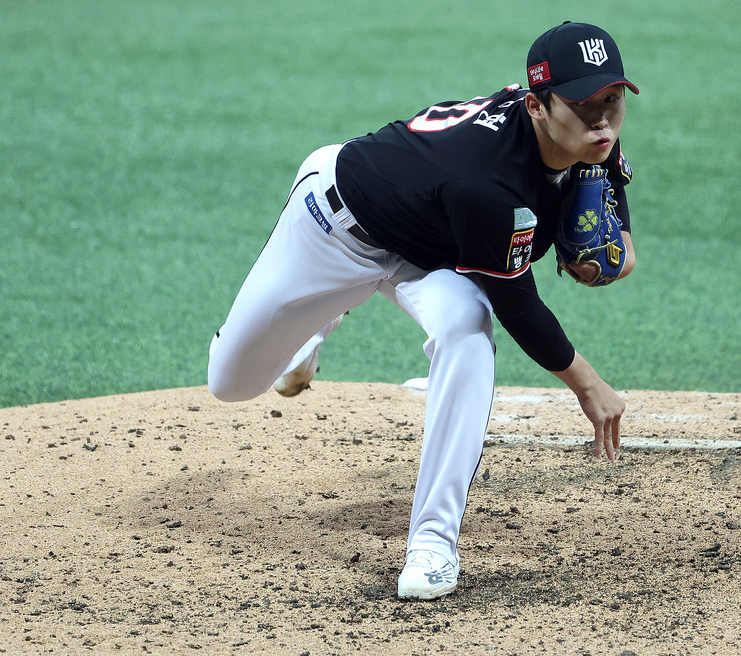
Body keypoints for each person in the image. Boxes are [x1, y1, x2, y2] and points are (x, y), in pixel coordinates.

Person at [207, 21, 638, 600]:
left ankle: (433, 541)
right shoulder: (488, 183)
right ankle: (317, 318)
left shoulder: (588, 136)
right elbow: (516, 300)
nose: (602, 120)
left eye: (612, 100)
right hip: (333, 228)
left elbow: (606, 175)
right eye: (585, 105)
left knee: (466, 332)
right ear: (535, 104)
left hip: (429, 255)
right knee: (231, 384)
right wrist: (587, 385)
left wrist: (623, 245)